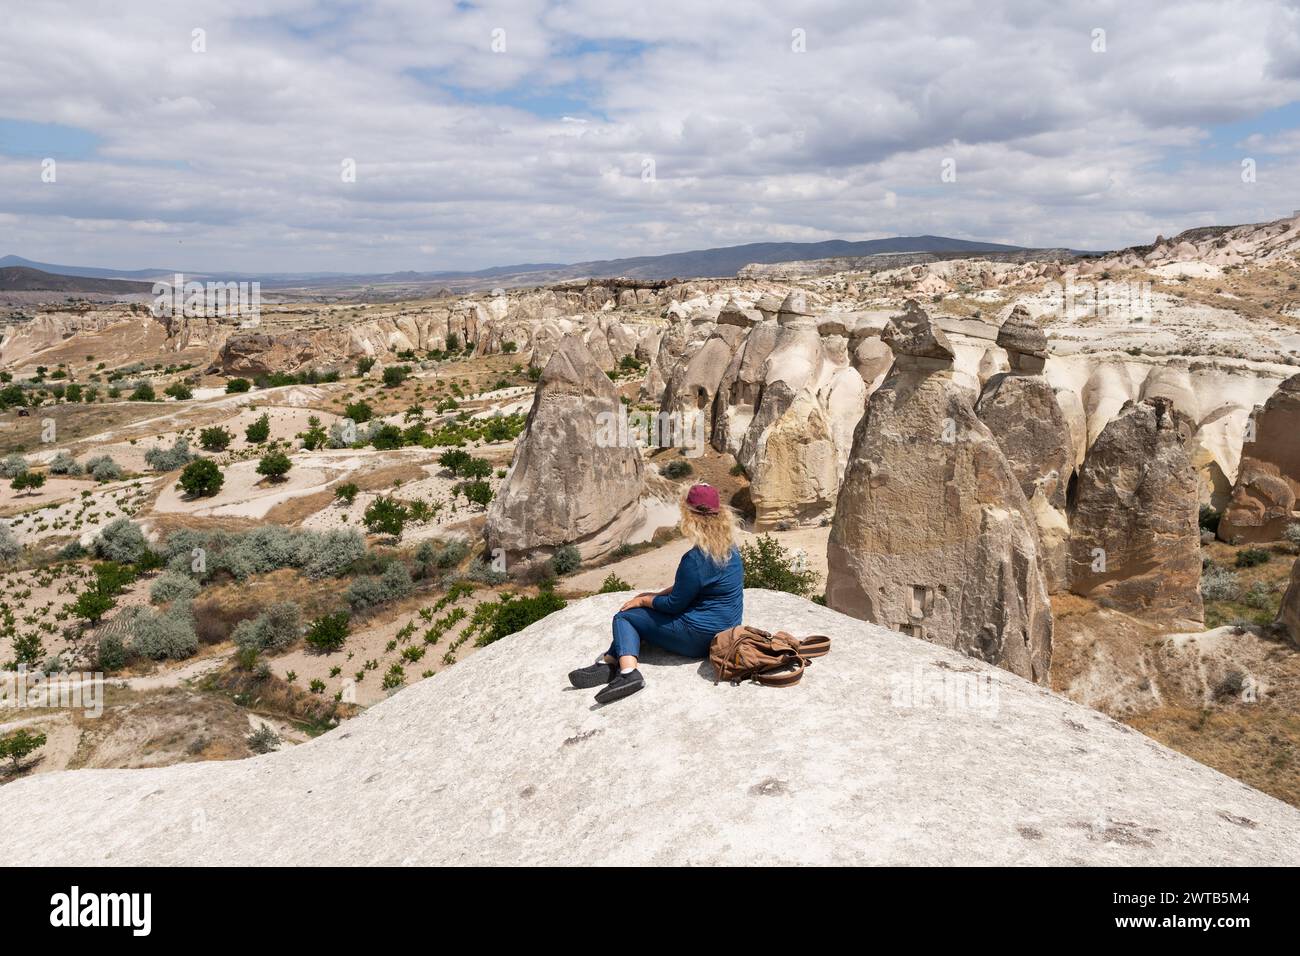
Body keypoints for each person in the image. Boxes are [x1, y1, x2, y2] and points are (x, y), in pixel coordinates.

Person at [569, 483, 744, 704]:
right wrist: (655, 594)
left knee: (625, 617)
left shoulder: (694, 559)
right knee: (644, 609)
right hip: (724, 632)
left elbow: (673, 605)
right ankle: (609, 662)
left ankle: (628, 674)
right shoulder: (730, 549)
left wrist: (643, 600)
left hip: (698, 639)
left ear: (691, 518)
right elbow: (695, 587)